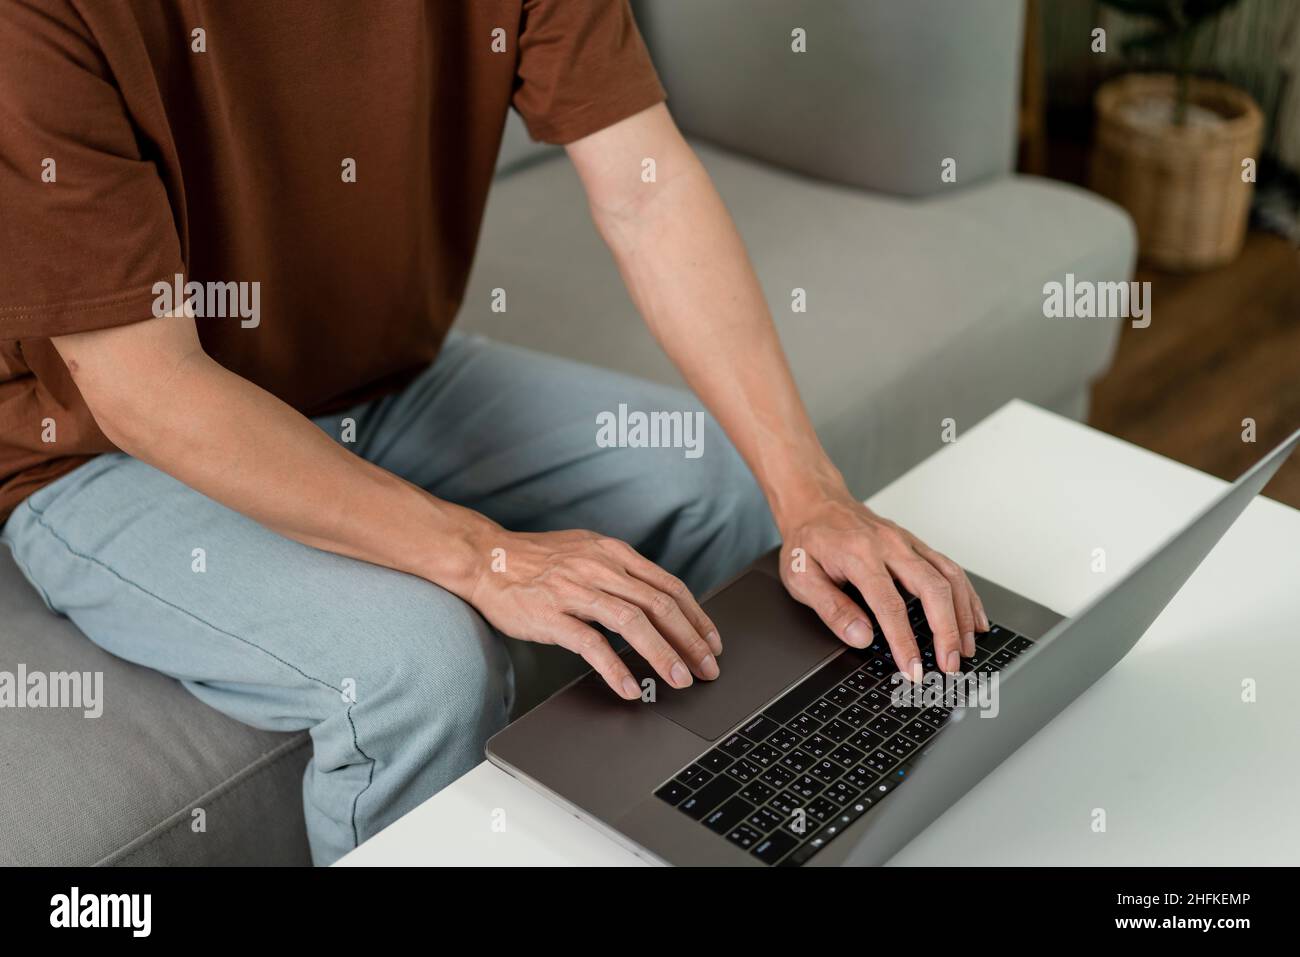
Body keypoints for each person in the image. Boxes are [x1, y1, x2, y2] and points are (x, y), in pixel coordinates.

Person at [0, 0, 986, 864]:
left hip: (385, 382)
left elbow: (647, 191)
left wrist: (811, 493)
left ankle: (731, 828)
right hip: (97, 451)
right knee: (419, 669)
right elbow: (143, 389)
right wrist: (485, 559)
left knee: (705, 474)